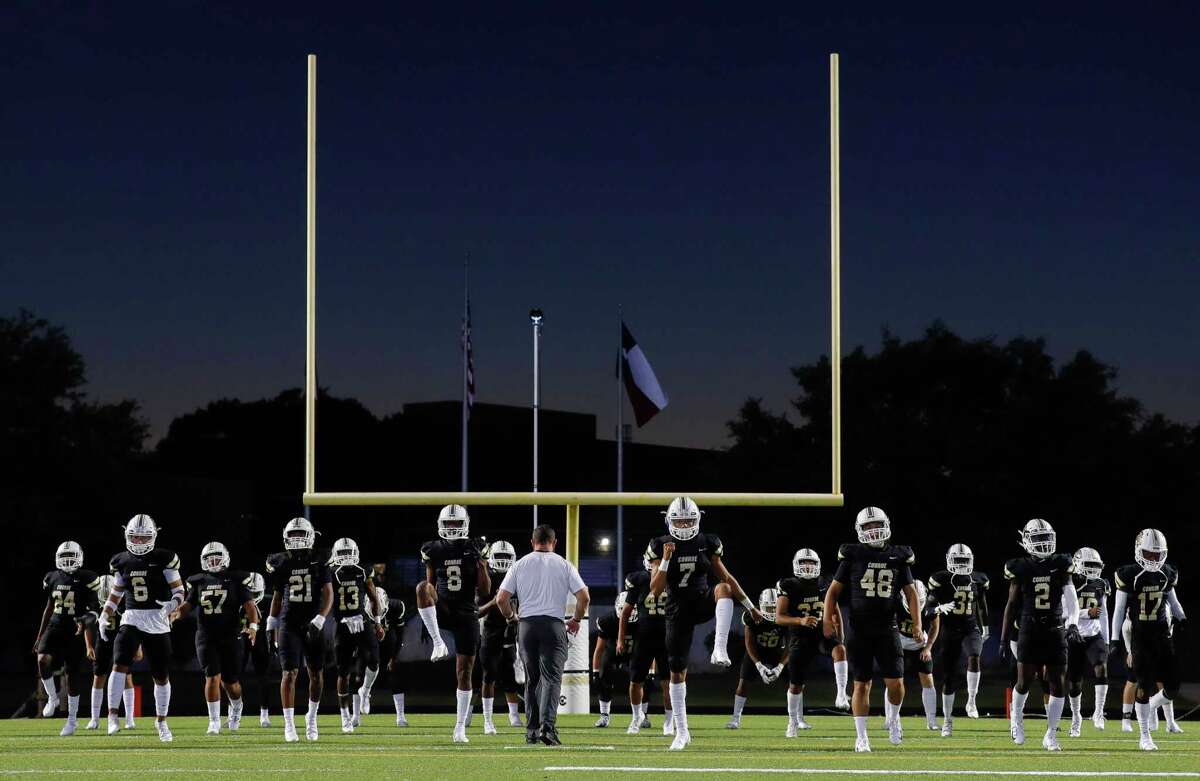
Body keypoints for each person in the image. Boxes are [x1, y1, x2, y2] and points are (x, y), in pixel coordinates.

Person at [648, 496, 761, 751]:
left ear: (698, 519)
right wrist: (665, 559)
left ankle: (719, 648)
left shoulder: (707, 543)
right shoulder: (659, 545)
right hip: (677, 610)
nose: (686, 525)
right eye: (680, 520)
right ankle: (682, 732)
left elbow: (727, 578)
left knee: (721, 588)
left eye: (690, 519)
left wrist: (751, 606)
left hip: (701, 602)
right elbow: (655, 590)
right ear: (669, 521)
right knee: (677, 673)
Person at [822, 506, 922, 752]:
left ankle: (894, 717)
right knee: (861, 684)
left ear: (886, 526)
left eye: (877, 525)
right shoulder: (853, 556)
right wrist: (827, 619)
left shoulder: (899, 556)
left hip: (888, 628)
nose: (873, 530)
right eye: (868, 527)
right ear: (859, 530)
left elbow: (912, 594)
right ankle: (861, 737)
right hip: (860, 629)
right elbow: (833, 592)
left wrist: (918, 623)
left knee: (896, 684)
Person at [496, 524, 589, 747]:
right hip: (553, 625)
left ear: (532, 542)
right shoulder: (564, 564)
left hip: (527, 626)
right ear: (554, 543)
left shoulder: (520, 564)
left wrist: (511, 617)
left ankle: (531, 731)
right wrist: (576, 620)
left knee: (532, 681)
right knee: (551, 679)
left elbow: (501, 599)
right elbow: (584, 597)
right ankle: (547, 728)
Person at [100, 514, 185, 742]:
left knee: (160, 675)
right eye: (134, 537)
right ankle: (112, 716)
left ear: (153, 536)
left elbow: (179, 591)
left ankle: (162, 722)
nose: (138, 542)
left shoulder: (164, 558)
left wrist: (173, 604)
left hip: (157, 619)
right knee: (119, 664)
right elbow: (117, 591)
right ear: (127, 536)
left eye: (143, 537)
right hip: (131, 617)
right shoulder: (120, 560)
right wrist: (105, 614)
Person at [999, 518, 1080, 751]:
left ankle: (1051, 734)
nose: (1044, 544)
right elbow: (1011, 605)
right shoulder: (1020, 566)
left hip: (1055, 627)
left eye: (1046, 539)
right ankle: (1017, 719)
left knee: (1058, 683)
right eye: (1038, 539)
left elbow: (1071, 596)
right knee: (1024, 681)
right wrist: (1004, 638)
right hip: (1029, 627)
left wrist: (1072, 623)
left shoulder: (1060, 564)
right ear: (1026, 541)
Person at [414, 504, 490, 743]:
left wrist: (481, 563)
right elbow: (429, 586)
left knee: (464, 671)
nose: (453, 528)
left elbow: (486, 591)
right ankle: (438, 643)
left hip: (467, 611)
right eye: (449, 524)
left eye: (457, 524)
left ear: (465, 524)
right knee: (421, 588)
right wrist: (430, 620)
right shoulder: (433, 549)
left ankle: (459, 727)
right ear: (441, 525)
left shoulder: (474, 546)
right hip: (444, 606)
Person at [1110, 529, 1186, 751]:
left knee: (1172, 687)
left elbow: (1173, 600)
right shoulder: (1129, 574)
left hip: (1163, 635)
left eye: (1157, 554)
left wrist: (1181, 617)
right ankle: (1144, 736)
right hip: (1141, 636)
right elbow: (1119, 608)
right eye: (1149, 554)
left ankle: (1152, 706)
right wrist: (1115, 640)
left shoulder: (1167, 573)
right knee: (1142, 685)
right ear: (1138, 551)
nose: (1153, 559)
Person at [175, 541, 259, 735]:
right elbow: (188, 605)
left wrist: (253, 627)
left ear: (226, 558)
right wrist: (175, 614)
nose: (213, 561)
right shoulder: (198, 581)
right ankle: (214, 721)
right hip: (206, 635)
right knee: (212, 677)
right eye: (209, 558)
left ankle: (236, 706)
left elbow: (249, 606)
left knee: (231, 682)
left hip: (230, 635)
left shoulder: (236, 579)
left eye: (217, 557)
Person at [265, 517, 333, 742]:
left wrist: (321, 619)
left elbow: (328, 593)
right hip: (289, 623)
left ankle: (311, 718)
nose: (295, 540)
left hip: (313, 622)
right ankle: (289, 724)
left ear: (310, 536)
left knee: (316, 673)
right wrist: (271, 623)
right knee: (289, 672)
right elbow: (277, 595)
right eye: (292, 535)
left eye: (299, 535)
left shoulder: (319, 559)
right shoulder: (280, 562)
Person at [775, 547, 850, 727]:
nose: (808, 567)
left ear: (818, 565)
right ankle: (793, 722)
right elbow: (779, 617)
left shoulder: (825, 582)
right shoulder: (788, 585)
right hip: (799, 637)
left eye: (811, 563)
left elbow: (835, 607)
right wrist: (800, 621)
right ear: (796, 565)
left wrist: (840, 635)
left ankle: (841, 694)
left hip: (821, 633)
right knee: (796, 685)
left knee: (840, 650)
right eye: (804, 563)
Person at [34, 541, 100, 736]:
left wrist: (85, 622)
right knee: (42, 659)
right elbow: (48, 607)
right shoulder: (51, 577)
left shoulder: (87, 578)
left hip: (75, 630)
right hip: (55, 626)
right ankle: (52, 698)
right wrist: (39, 635)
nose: (68, 560)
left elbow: (94, 608)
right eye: (64, 557)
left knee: (72, 676)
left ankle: (72, 720)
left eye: (72, 556)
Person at [926, 543, 989, 734]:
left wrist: (985, 627)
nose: (961, 565)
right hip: (950, 629)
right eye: (958, 560)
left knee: (974, 656)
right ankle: (947, 721)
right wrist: (937, 608)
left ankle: (971, 701)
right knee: (948, 679)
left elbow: (982, 606)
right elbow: (928, 609)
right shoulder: (940, 579)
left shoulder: (978, 578)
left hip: (970, 627)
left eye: (964, 561)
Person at [328, 537, 383, 734]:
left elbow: (373, 597)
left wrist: (376, 622)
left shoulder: (363, 571)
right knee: (343, 673)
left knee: (375, 660)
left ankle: (365, 691)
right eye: (341, 554)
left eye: (348, 553)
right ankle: (345, 716)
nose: (345, 558)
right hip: (342, 625)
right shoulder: (330, 573)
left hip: (361, 621)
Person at [477, 540, 524, 733]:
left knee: (510, 676)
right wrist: (494, 603)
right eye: (500, 557)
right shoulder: (485, 580)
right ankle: (487, 719)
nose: (503, 562)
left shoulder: (519, 578)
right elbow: (477, 611)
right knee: (488, 676)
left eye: (507, 558)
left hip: (513, 631)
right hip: (490, 630)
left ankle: (514, 715)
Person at [726, 588, 788, 732]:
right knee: (743, 684)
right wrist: (759, 665)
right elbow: (749, 643)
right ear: (760, 606)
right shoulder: (752, 616)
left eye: (775, 607)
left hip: (778, 651)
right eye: (769, 607)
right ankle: (735, 718)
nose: (772, 611)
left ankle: (797, 719)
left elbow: (791, 645)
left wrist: (780, 667)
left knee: (796, 681)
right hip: (757, 651)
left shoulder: (785, 616)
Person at [621, 552, 669, 734]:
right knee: (635, 681)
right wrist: (620, 639)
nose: (651, 563)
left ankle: (669, 720)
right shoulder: (638, 580)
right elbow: (625, 612)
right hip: (644, 637)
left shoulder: (670, 577)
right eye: (650, 560)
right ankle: (637, 716)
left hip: (666, 637)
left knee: (668, 682)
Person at [82, 574, 136, 731]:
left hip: (121, 642)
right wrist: (89, 646)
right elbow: (88, 624)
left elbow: (133, 625)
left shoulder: (125, 603)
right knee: (98, 678)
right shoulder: (95, 605)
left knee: (127, 677)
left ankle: (129, 718)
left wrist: (137, 647)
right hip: (102, 643)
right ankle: (95, 719)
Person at [1067, 547, 1109, 735]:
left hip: (1094, 635)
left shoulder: (1101, 584)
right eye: (1088, 565)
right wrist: (1086, 613)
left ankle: (1098, 713)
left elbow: (1104, 614)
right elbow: (1064, 613)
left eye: (1095, 566)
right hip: (1074, 636)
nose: (1093, 570)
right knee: (1075, 682)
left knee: (1101, 667)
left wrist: (1107, 640)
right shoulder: (1069, 583)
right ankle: (1076, 717)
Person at [896, 579, 940, 732]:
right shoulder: (895, 602)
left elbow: (935, 626)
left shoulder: (930, 603)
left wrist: (928, 648)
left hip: (920, 646)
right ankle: (891, 719)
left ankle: (931, 721)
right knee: (894, 681)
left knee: (928, 679)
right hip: (899, 643)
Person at [238, 572, 276, 727]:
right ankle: (234, 714)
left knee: (264, 677)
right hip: (241, 639)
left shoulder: (268, 602)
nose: (252, 596)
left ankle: (264, 714)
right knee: (233, 678)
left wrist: (274, 641)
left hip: (261, 640)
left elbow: (276, 621)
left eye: (255, 593)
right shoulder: (236, 600)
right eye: (249, 593)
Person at [592, 591, 634, 728]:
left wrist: (651, 671)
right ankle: (604, 715)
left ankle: (642, 715)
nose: (626, 613)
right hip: (613, 650)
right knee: (604, 673)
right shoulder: (608, 621)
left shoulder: (642, 621)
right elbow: (599, 649)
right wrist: (595, 671)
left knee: (642, 677)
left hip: (635, 651)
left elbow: (648, 650)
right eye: (622, 609)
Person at [374, 587, 411, 726]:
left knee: (395, 677)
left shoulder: (396, 607)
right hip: (369, 645)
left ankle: (400, 716)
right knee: (358, 675)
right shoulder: (362, 608)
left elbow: (400, 634)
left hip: (388, 644)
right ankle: (354, 717)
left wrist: (394, 657)